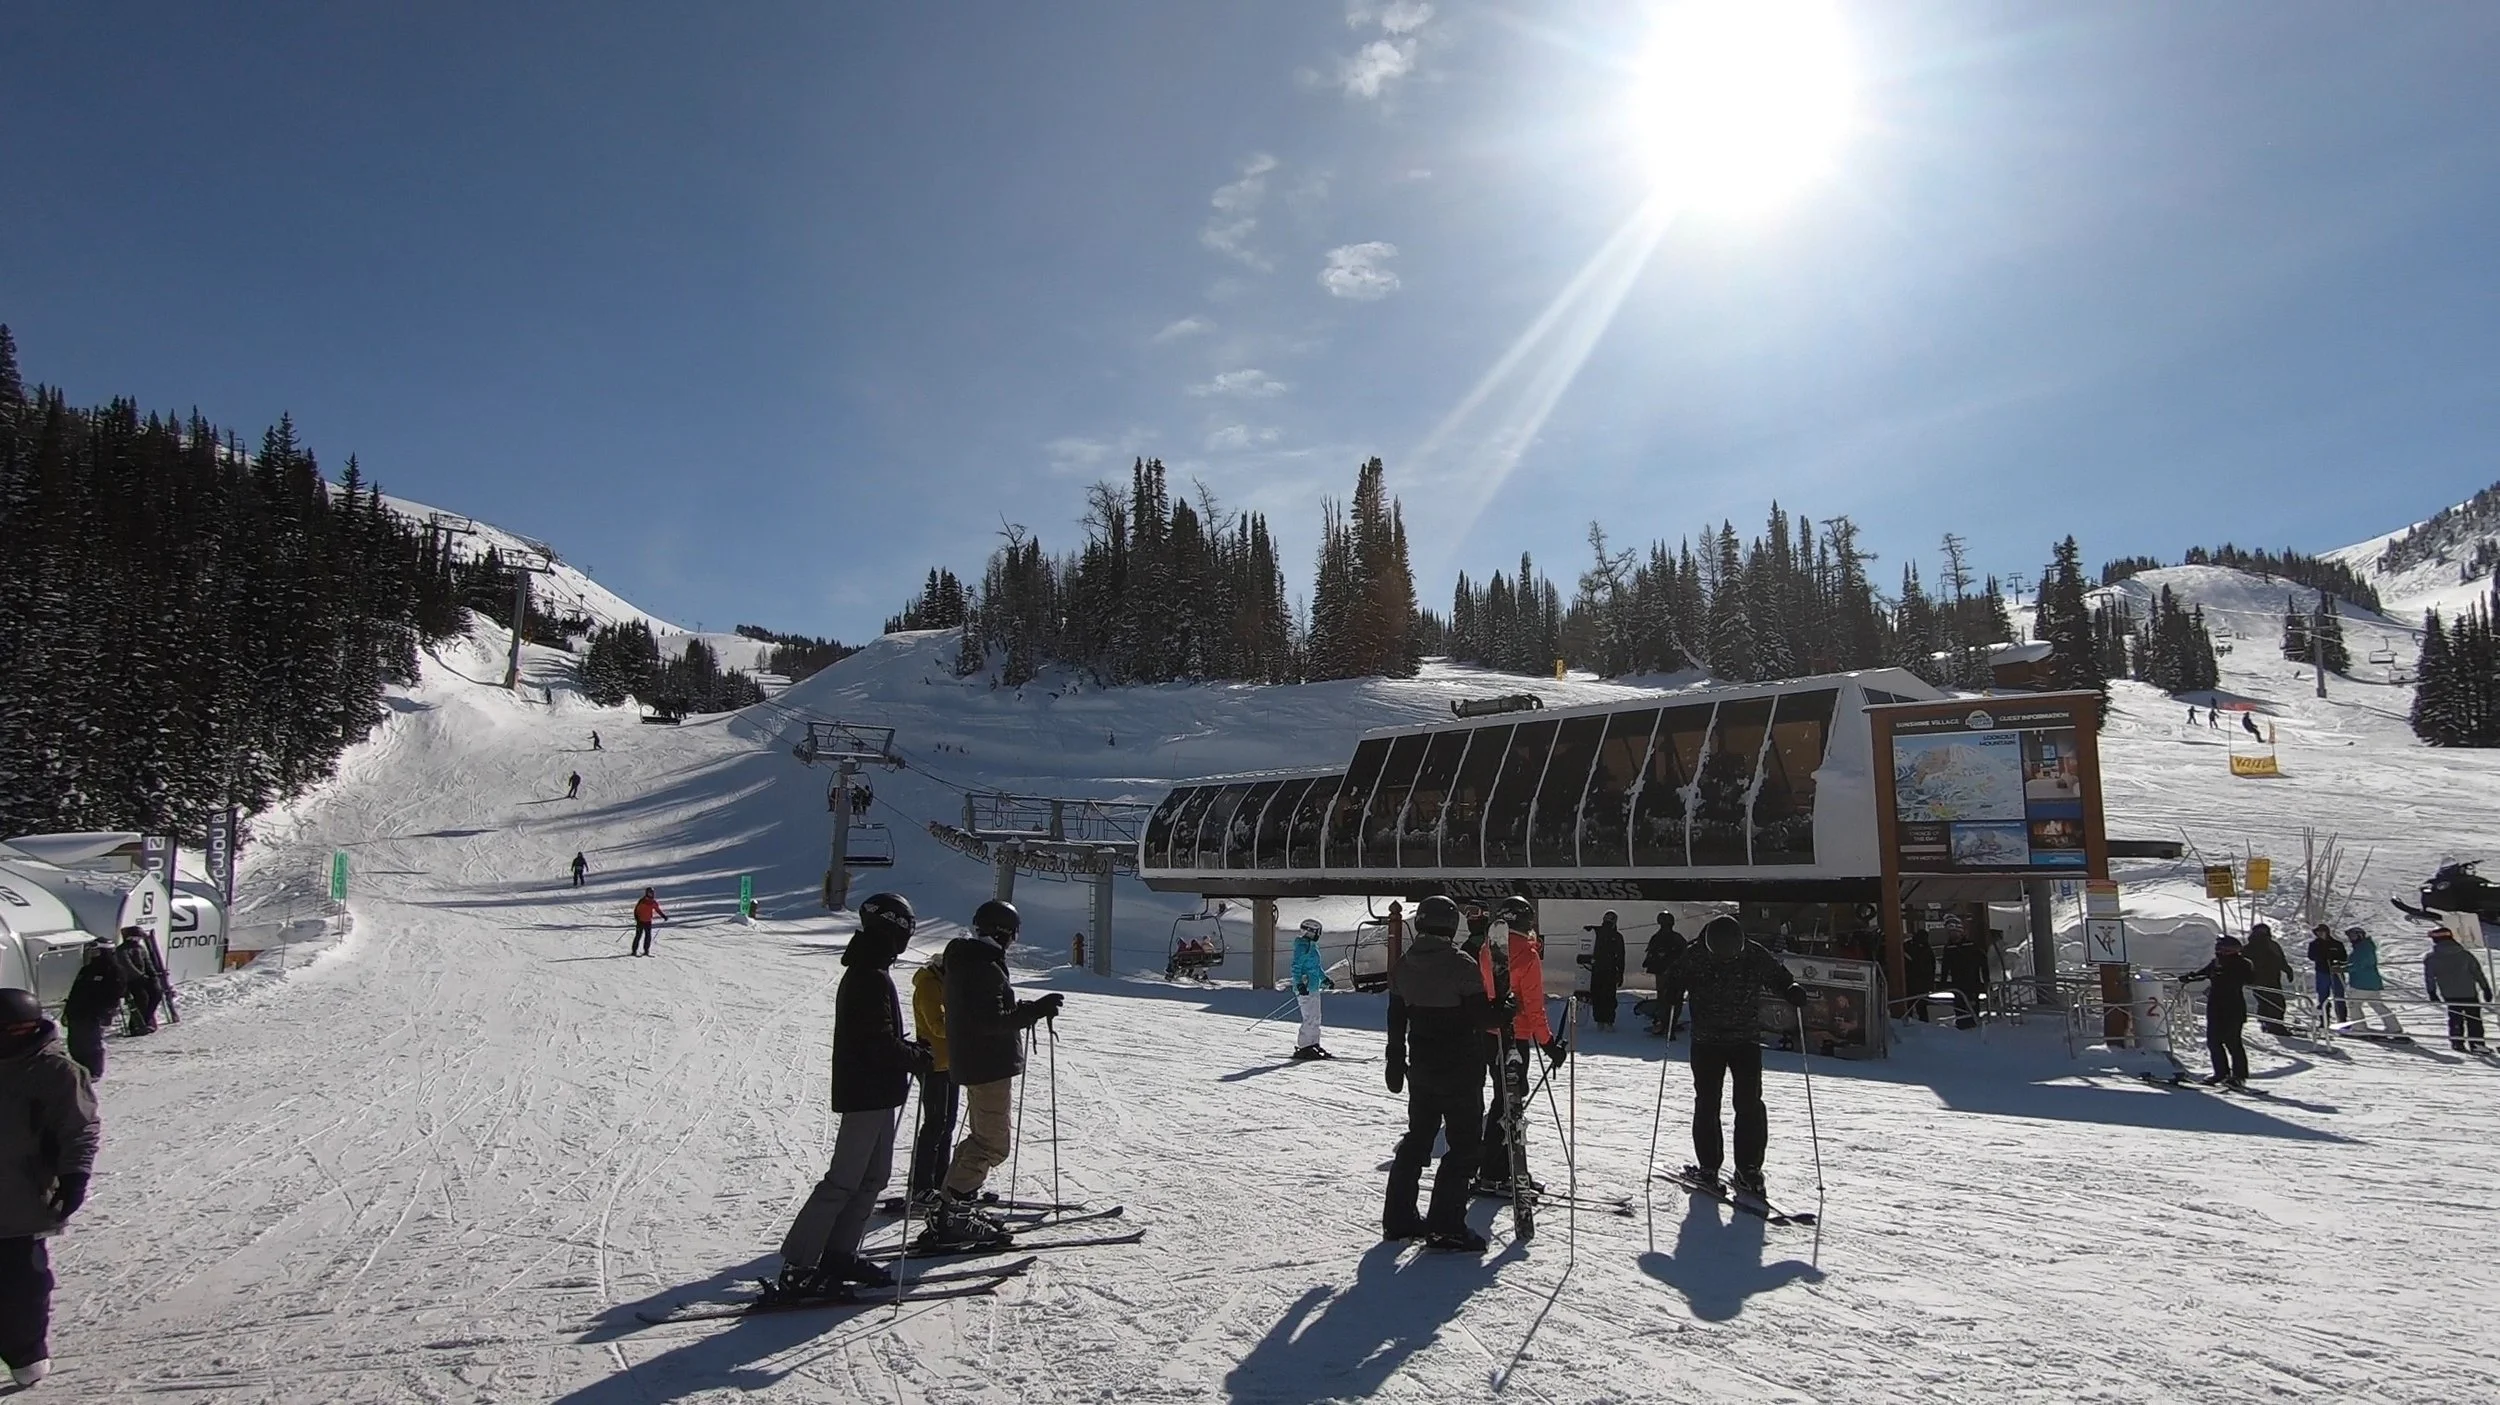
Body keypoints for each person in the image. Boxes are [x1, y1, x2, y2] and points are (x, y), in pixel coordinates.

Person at [773, 893, 929, 1298]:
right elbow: (877, 1043)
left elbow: (879, 1037)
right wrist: (914, 1056)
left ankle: (839, 1253)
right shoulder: (868, 975)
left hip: (878, 1090)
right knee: (844, 1180)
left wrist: (911, 1052)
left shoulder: (873, 970)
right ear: (893, 929)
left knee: (873, 1177)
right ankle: (799, 1264)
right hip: (865, 1091)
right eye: (906, 929)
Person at [929, 900, 1064, 1248]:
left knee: (981, 1138)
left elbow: (986, 1012)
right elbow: (992, 1021)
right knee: (992, 1144)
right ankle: (954, 1215)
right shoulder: (984, 966)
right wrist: (1033, 1012)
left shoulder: (970, 960)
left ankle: (950, 1207)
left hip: (976, 1062)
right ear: (1005, 933)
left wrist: (1029, 1010)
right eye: (1014, 934)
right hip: (987, 1064)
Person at [1384, 895, 1510, 1252]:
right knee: (1464, 1146)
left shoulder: (1404, 965)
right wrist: (1506, 1010)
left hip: (1422, 1069)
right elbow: (1482, 1018)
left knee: (1417, 1139)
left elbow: (1396, 1019)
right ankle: (1445, 1225)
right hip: (1460, 1069)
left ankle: (1399, 1218)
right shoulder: (1460, 964)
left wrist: (1395, 1060)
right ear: (1452, 926)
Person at [1660, 916, 1805, 1196]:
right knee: (1707, 1103)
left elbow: (1779, 978)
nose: (1726, 961)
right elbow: (1673, 980)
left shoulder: (1754, 954)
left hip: (1745, 1041)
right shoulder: (1694, 955)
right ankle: (1709, 1166)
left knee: (1749, 1104)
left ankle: (1748, 1168)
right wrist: (1672, 993)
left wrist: (1791, 990)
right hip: (1706, 1042)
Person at [0, 987, 101, 1390]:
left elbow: (79, 1128)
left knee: (21, 1282)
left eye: (23, 1028)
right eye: (9, 1029)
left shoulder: (56, 1070)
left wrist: (75, 1176)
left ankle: (26, 1354)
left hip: (21, 1195)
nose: (17, 1035)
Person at [1475, 898, 1564, 1199]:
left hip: (1491, 1033)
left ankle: (1500, 1168)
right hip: (1517, 1034)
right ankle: (1496, 1171)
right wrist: (1548, 1043)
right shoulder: (1527, 954)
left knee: (1503, 1099)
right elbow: (1535, 1005)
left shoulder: (1487, 948)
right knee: (1509, 1102)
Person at [907, 945, 958, 1206]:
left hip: (951, 1064)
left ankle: (941, 1181)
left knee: (947, 1125)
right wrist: (964, 1023)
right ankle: (921, 1185)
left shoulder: (945, 984)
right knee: (935, 1124)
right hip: (933, 1063)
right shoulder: (929, 985)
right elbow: (936, 1025)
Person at [2182, 935, 2255, 1085]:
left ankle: (2239, 1075)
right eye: (2218, 949)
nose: (2219, 952)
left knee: (2232, 1041)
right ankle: (2220, 1072)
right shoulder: (2216, 963)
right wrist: (2190, 977)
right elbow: (2204, 973)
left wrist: (2224, 973)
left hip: (2233, 1006)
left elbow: (2249, 979)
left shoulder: (2242, 963)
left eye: (2222, 949)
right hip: (2215, 1005)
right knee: (2213, 1041)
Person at [62, 940, 127, 1081]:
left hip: (94, 1014)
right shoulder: (86, 970)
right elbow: (75, 992)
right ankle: (80, 1069)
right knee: (75, 1043)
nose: (92, 954)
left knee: (91, 1043)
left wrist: (107, 1012)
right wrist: (67, 1011)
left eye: (95, 951)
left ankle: (94, 1071)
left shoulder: (113, 970)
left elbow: (116, 994)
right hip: (77, 1013)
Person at [2423, 925, 2491, 1053]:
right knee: (2474, 1019)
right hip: (2469, 992)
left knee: (2455, 1017)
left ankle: (2457, 1042)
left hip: (2449, 994)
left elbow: (2429, 977)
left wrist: (2432, 992)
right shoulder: (2465, 954)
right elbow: (2477, 973)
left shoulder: (2431, 958)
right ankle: (2477, 1044)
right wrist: (2485, 988)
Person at [2344, 927, 2402, 1035]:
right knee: (2377, 1005)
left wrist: (2344, 968)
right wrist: (2345, 965)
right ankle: (2394, 1027)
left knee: (2354, 1005)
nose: (2351, 939)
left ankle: (2359, 1028)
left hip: (2361, 983)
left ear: (2360, 935)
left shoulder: (2362, 948)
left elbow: (2359, 964)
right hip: (2372, 983)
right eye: (2350, 936)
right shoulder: (2366, 947)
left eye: (2353, 936)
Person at [1291, 918, 1333, 1061]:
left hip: (1313, 986)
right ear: (1310, 931)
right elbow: (1296, 966)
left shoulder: (1312, 946)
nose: (1318, 935)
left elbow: (1316, 967)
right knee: (1309, 1017)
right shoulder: (1302, 946)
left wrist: (1324, 979)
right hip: (1305, 986)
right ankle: (1304, 1047)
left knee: (1316, 1017)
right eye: (1317, 932)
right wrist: (1299, 984)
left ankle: (1314, 1044)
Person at [1641, 912, 1687, 1037]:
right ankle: (1668, 1024)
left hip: (1666, 974)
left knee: (1664, 999)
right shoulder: (1676, 938)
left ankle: (1664, 1023)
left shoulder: (1657, 938)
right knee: (1673, 999)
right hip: (1673, 974)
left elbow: (1650, 957)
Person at [2243, 923, 2293, 1035]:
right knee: (2272, 1003)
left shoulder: (2272, 945)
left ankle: (2270, 1024)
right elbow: (2243, 964)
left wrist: (2287, 969)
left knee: (2273, 1003)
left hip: (2272, 978)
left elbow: (2280, 959)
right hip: (2258, 979)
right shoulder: (2250, 947)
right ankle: (2272, 1025)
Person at [1580, 911, 1626, 1032]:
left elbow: (1590, 932)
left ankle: (1600, 1020)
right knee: (1609, 997)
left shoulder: (1596, 933)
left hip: (1596, 970)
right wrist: (1620, 973)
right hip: (1610, 971)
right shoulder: (1617, 936)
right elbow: (1621, 957)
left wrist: (1588, 929)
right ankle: (1608, 1021)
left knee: (1598, 996)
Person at [2305, 924, 2350, 1028]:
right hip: (2322, 972)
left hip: (2336, 973)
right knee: (2322, 998)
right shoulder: (2314, 944)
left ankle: (2342, 1020)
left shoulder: (2337, 944)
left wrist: (2336, 959)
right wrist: (2322, 956)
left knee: (2339, 997)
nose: (2320, 934)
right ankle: (2324, 1021)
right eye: (2318, 932)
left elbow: (2344, 957)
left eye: (2322, 931)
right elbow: (2311, 956)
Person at [118, 933, 162, 1036]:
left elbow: (148, 962)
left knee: (157, 993)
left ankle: (146, 1020)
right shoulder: (122, 950)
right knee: (142, 998)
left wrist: (153, 975)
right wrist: (141, 976)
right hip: (130, 980)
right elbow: (128, 966)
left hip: (143, 978)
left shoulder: (140, 948)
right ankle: (135, 1025)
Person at [1903, 925, 1939, 1021]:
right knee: (1921, 1008)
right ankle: (1922, 1024)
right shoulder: (1927, 950)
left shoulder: (1908, 946)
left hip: (1911, 981)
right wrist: (1930, 984)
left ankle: (1907, 1023)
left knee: (1910, 1006)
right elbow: (1931, 968)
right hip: (1920, 983)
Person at [630, 888, 665, 957]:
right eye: (649, 893)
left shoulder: (653, 902)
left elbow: (657, 910)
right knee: (638, 936)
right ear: (646, 893)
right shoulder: (642, 901)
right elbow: (636, 910)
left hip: (648, 921)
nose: (651, 894)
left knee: (648, 936)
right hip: (640, 921)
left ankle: (646, 951)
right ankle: (634, 951)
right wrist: (637, 918)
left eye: (652, 893)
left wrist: (663, 916)